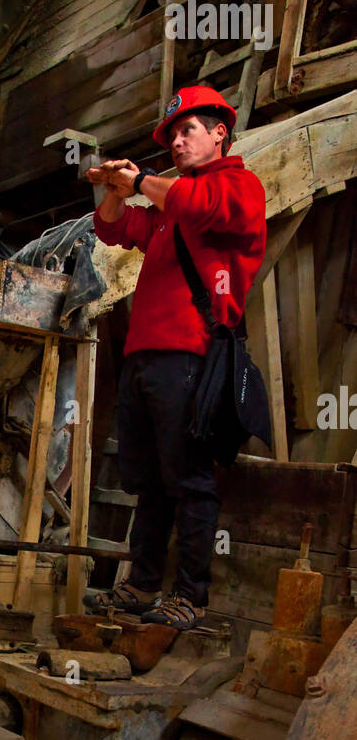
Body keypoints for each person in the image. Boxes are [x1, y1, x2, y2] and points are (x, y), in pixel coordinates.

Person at [85, 86, 266, 630]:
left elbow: (197, 205)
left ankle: (190, 595)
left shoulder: (236, 186)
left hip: (190, 355)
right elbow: (114, 228)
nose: (178, 140)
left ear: (220, 133)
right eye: (172, 134)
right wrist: (115, 189)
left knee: (188, 479)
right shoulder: (169, 205)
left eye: (189, 129)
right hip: (145, 356)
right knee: (148, 480)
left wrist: (138, 181)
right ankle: (141, 586)